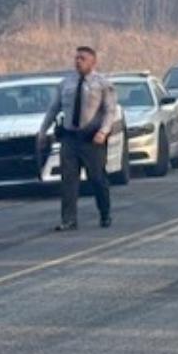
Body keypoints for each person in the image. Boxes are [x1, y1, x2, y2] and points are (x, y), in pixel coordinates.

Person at [38, 46, 121, 231]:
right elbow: (54, 108)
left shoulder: (103, 84)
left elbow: (109, 110)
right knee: (68, 180)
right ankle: (69, 219)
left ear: (93, 62)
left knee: (97, 178)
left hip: (92, 139)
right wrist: (43, 131)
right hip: (69, 138)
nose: (78, 61)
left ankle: (104, 213)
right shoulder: (66, 83)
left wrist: (103, 131)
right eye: (76, 58)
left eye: (82, 58)